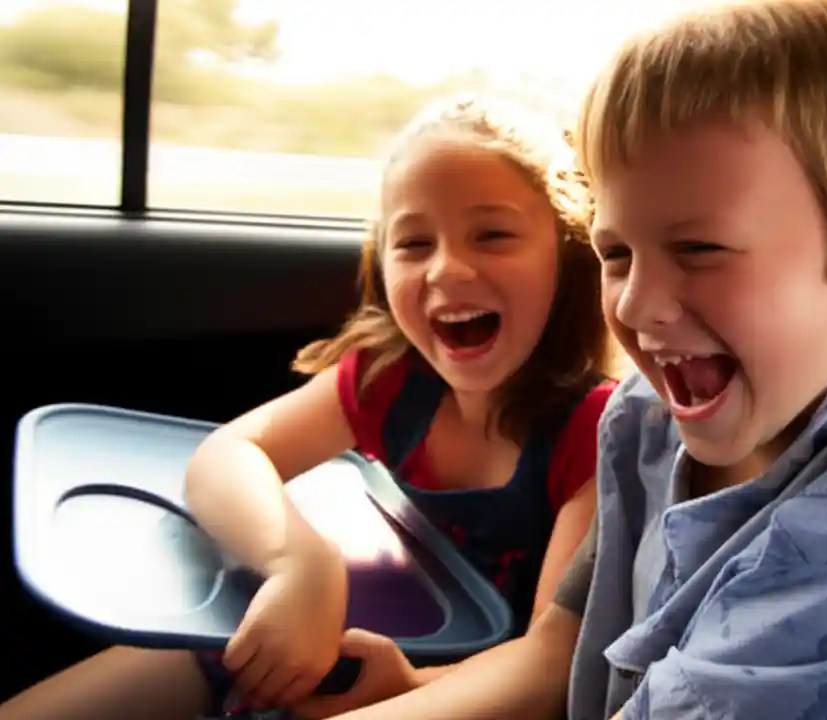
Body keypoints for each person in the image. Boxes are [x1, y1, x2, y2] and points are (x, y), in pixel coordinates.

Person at [309, 1, 827, 718]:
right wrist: (417, 693)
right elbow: (564, 649)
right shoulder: (649, 416)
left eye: (698, 249)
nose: (635, 307)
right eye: (615, 252)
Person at [0, 93, 619, 720]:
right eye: (413, 243)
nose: (446, 269)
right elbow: (228, 454)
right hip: (295, 631)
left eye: (493, 235)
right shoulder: (391, 380)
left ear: (569, 252)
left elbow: (547, 662)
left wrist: (415, 682)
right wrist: (301, 567)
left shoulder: (596, 432)